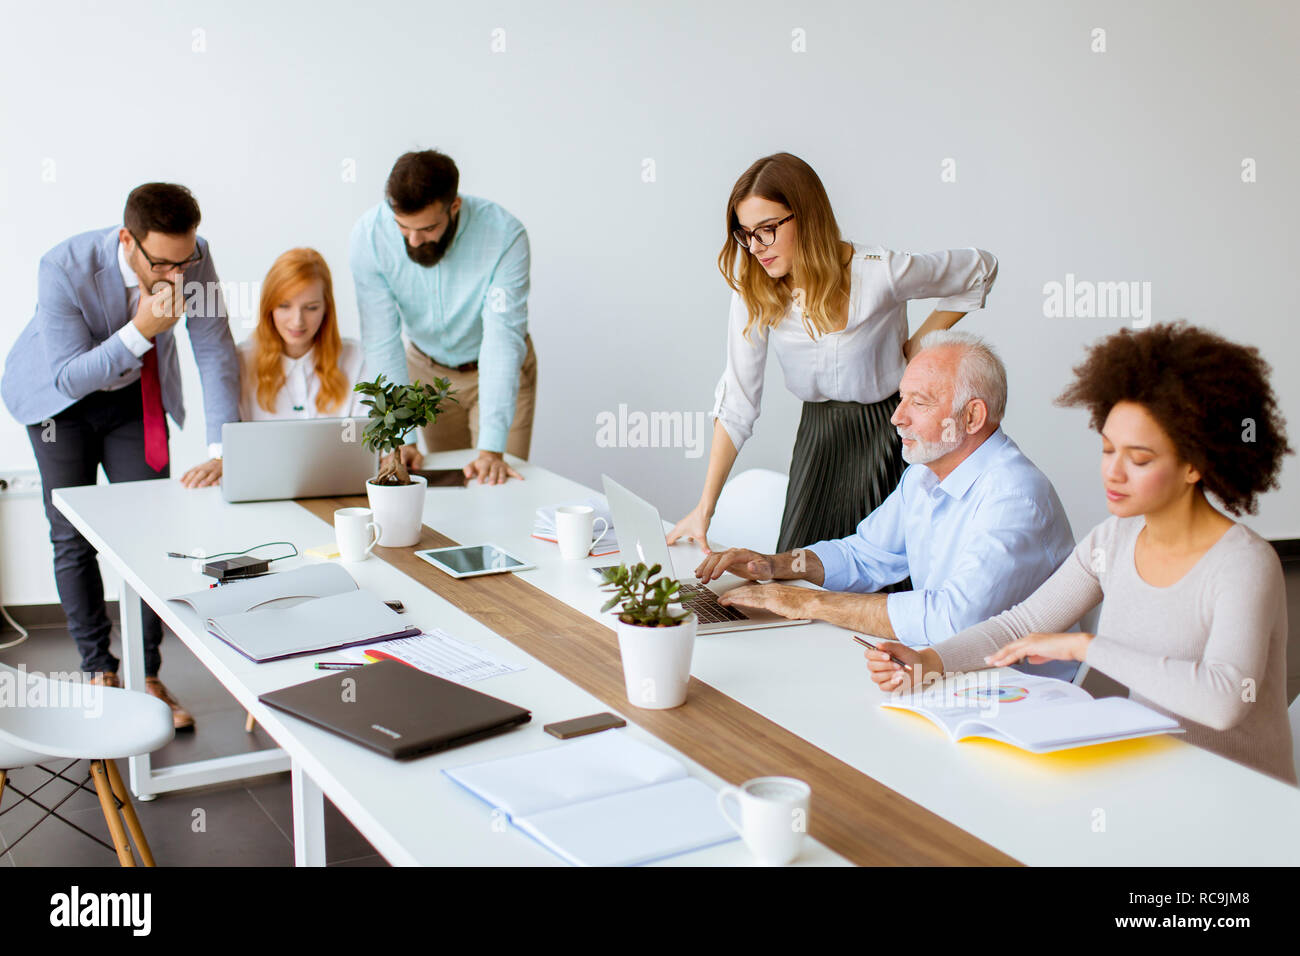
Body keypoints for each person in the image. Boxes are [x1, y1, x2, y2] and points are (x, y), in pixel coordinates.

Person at [867, 323, 1295, 784]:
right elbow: (1021, 625)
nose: (1113, 472)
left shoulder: (1243, 564)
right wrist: (930, 661)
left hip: (1246, 795)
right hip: (1153, 771)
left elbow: (1225, 700)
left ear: (1194, 464)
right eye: (1108, 449)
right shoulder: (1113, 540)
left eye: (1140, 459)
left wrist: (1088, 646)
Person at [669, 152, 999, 555]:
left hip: (888, 434)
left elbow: (979, 268)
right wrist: (705, 508)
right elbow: (738, 403)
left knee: (882, 576)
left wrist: (916, 349)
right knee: (796, 581)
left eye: (767, 229)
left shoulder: (880, 272)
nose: (755, 247)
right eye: (746, 233)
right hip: (817, 441)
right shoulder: (752, 287)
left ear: (806, 216)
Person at [697, 331, 1077, 678]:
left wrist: (809, 602)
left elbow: (953, 619)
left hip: (1018, 693)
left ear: (972, 416)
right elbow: (865, 555)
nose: (897, 417)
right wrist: (775, 565)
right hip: (942, 674)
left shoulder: (1014, 497)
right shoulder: (925, 473)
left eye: (920, 403)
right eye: (902, 398)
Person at [0, 183, 241, 729]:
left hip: (136, 398)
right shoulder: (63, 267)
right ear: (127, 240)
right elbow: (69, 374)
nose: (177, 276)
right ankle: (95, 668)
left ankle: (149, 673)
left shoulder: (189, 257)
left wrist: (222, 447)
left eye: (186, 261)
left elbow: (214, 346)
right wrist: (140, 331)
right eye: (163, 263)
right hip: (59, 403)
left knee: (149, 533)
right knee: (71, 534)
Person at [349, 149, 536, 485]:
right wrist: (400, 437)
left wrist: (492, 449)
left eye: (428, 228)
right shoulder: (369, 238)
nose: (414, 240)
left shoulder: (505, 236)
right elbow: (382, 340)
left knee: (499, 483)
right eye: (403, 228)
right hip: (428, 374)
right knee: (447, 490)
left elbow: (501, 339)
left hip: (494, 367)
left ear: (454, 207)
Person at [238, 248, 365, 420]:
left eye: (311, 308)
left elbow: (369, 439)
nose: (297, 321)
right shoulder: (242, 362)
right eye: (284, 306)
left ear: (326, 308)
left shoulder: (355, 359)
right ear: (269, 307)